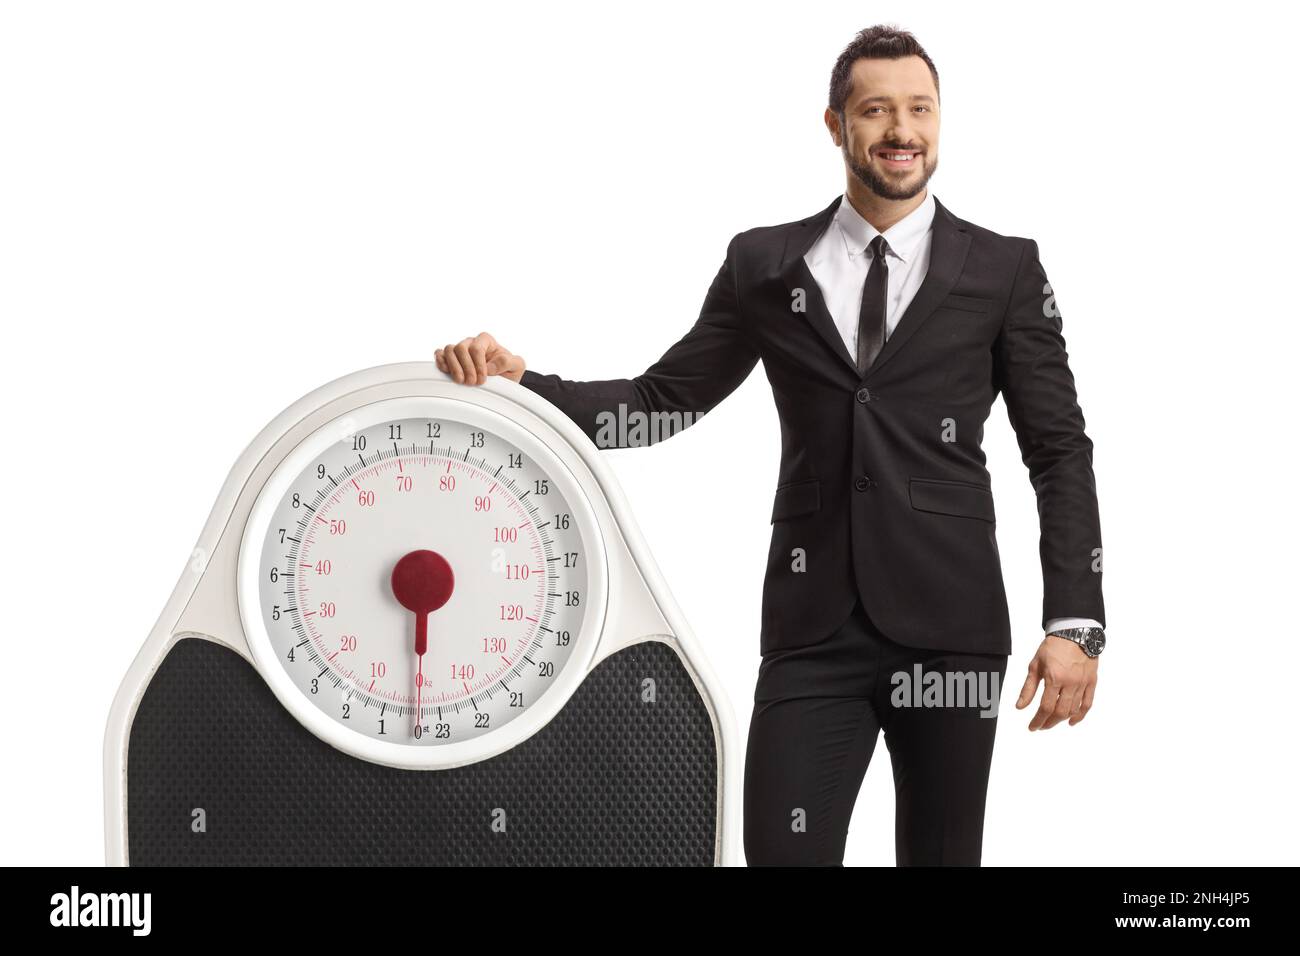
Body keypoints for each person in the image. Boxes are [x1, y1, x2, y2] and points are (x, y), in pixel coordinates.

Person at [435, 24, 1105, 866]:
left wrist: (1076, 622)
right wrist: (523, 387)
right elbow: (663, 402)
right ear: (836, 125)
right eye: (876, 110)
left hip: (952, 628)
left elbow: (1058, 449)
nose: (902, 130)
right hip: (813, 629)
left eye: (920, 109)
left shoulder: (1004, 269)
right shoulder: (766, 263)